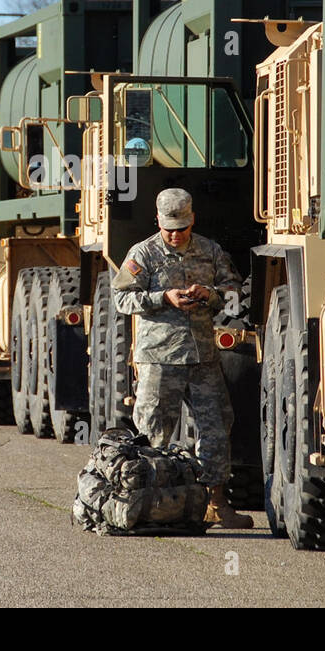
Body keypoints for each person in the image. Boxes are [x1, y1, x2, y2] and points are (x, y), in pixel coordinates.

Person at [111, 188, 254, 529]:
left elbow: (235, 294)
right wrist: (163, 298)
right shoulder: (143, 254)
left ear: (193, 220)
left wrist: (212, 295)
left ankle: (216, 503)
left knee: (217, 427)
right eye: (169, 228)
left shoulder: (210, 251)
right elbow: (121, 299)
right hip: (160, 358)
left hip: (203, 357)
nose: (176, 235)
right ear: (157, 221)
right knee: (154, 432)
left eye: (182, 227)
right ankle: (152, 507)